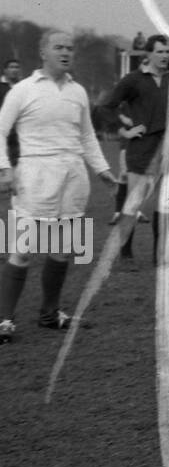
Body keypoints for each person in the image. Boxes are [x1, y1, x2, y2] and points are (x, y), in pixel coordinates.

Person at [0, 30, 115, 341]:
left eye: (69, 48)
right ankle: (5, 320)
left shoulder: (78, 92)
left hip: (74, 176)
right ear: (43, 52)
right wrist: (5, 169)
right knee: (23, 249)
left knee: (64, 248)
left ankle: (50, 314)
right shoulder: (22, 90)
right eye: (58, 47)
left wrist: (103, 171)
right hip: (35, 176)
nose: (65, 52)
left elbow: (87, 137)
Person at [102, 35, 169, 265]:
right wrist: (123, 131)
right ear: (148, 54)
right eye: (160, 52)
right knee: (134, 205)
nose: (165, 56)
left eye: (167, 52)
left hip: (166, 149)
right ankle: (125, 255)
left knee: (163, 205)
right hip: (142, 150)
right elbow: (105, 107)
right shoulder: (133, 80)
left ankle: (160, 257)